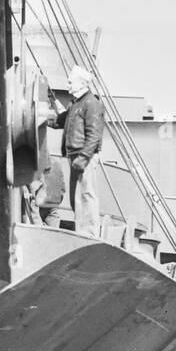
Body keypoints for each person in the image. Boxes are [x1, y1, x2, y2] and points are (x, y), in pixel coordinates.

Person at [52, 65, 105, 237]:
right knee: (76, 196)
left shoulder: (91, 104)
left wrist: (83, 157)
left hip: (84, 156)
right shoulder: (76, 104)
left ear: (81, 83)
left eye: (70, 82)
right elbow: (60, 121)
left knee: (87, 194)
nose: (68, 85)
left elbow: (94, 135)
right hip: (75, 155)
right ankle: (82, 231)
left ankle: (89, 233)